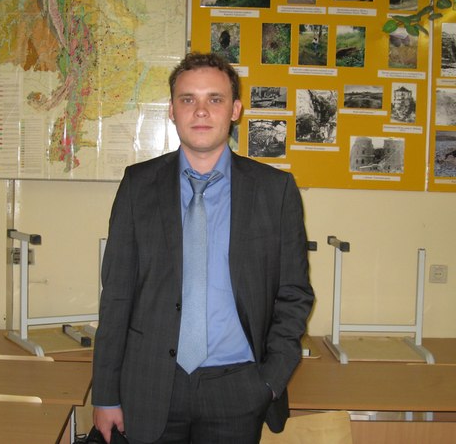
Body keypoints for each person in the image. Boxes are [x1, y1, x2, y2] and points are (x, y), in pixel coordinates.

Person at [92, 51, 314, 444]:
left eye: (215, 99)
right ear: (172, 111)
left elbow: (293, 294)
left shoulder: (274, 191)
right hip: (150, 386)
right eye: (187, 99)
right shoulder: (138, 186)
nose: (200, 111)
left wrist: (269, 382)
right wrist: (106, 393)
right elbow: (117, 296)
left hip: (238, 388)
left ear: (235, 110)